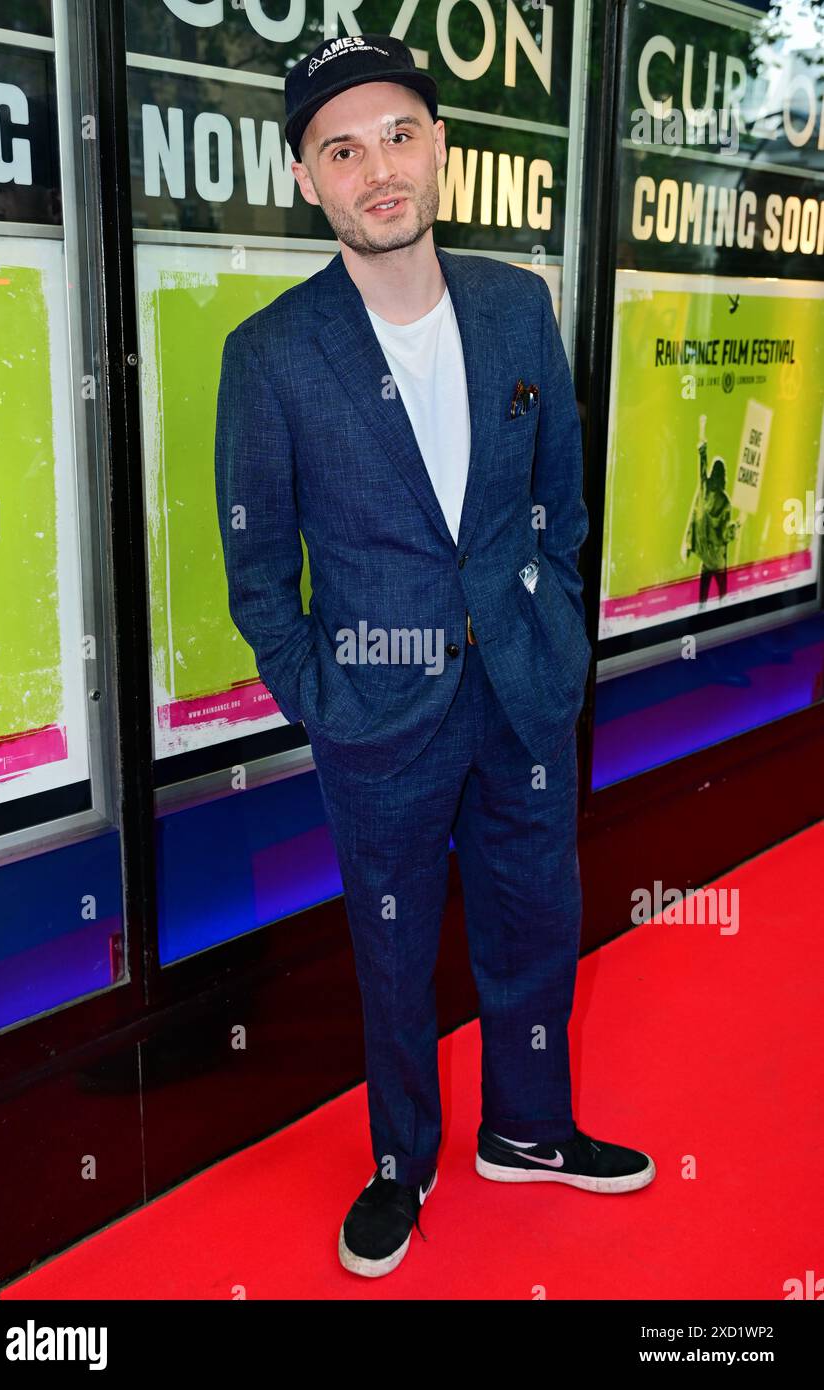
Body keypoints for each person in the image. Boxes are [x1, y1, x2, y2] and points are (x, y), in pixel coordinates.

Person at [215, 33, 655, 1281]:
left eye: (399, 134)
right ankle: (400, 1163)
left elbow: (558, 509)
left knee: (536, 920)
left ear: (441, 148)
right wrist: (326, 698)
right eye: (341, 149)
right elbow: (258, 571)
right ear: (307, 179)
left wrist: (555, 638)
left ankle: (528, 1126)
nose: (378, 169)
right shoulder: (273, 353)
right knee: (395, 951)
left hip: (521, 691)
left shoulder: (519, 304)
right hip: (379, 716)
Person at [684, 441, 740, 606]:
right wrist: (734, 528)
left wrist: (702, 452)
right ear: (724, 475)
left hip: (707, 556)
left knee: (702, 601)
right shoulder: (726, 502)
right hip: (719, 558)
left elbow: (701, 474)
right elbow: (725, 534)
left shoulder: (706, 489)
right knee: (723, 598)